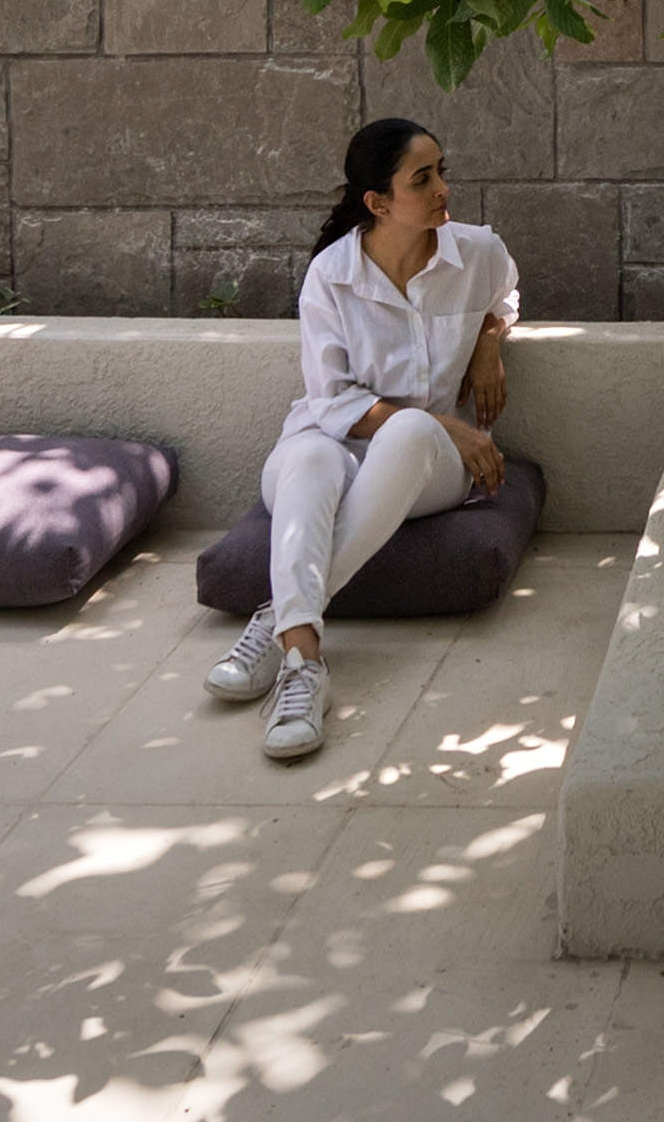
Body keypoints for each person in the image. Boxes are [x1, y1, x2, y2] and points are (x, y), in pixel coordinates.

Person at [210, 116, 519, 762]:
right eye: (422, 178)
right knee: (310, 455)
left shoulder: (477, 252)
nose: (442, 188)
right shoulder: (332, 274)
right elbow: (328, 400)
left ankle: (275, 619)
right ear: (378, 202)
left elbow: (507, 294)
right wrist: (448, 421)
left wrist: (489, 342)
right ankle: (302, 664)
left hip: (427, 464)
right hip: (333, 444)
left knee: (410, 426)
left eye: (441, 170)